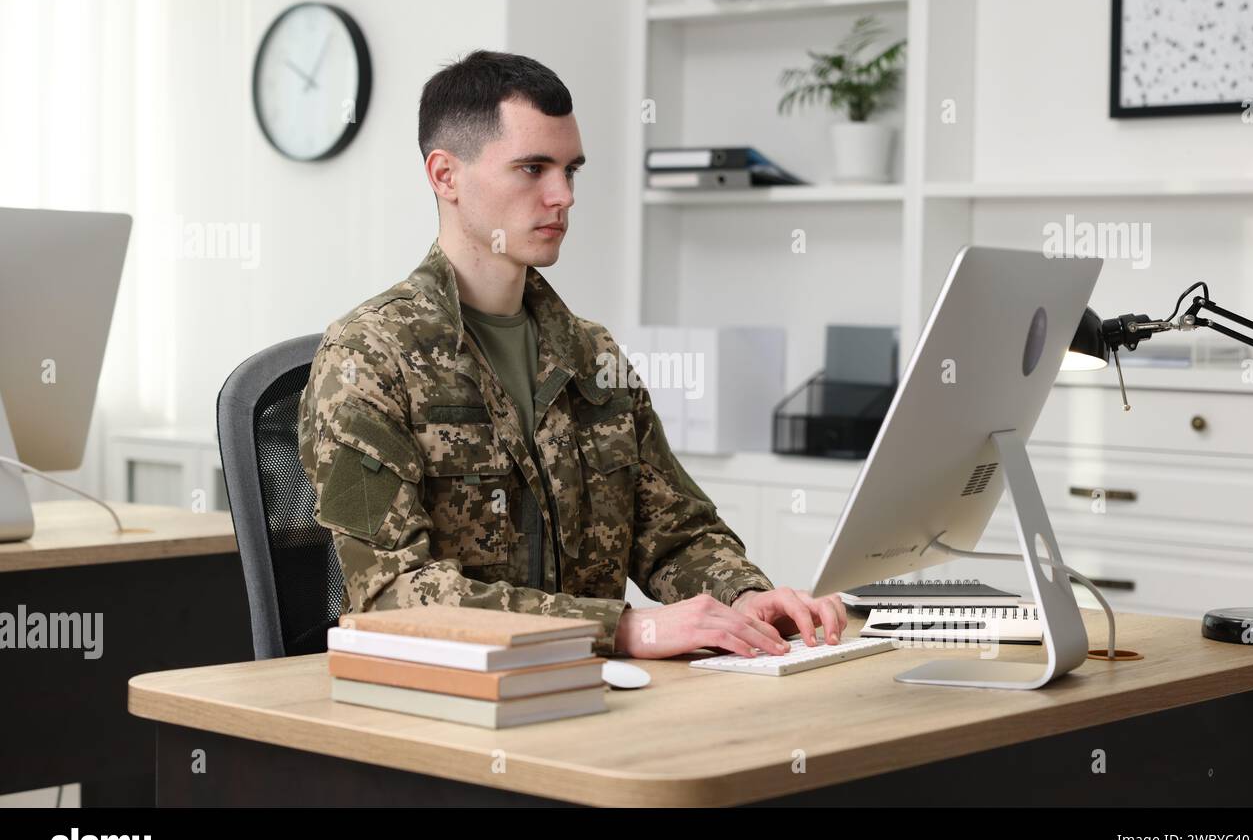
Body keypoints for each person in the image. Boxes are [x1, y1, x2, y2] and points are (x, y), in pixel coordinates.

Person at [298, 49, 847, 658]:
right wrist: (625, 628)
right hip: (449, 707)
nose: (562, 195)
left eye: (570, 170)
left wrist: (744, 597)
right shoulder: (367, 358)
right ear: (445, 176)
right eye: (532, 168)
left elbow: (673, 532)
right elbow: (392, 594)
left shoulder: (591, 354)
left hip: (597, 695)